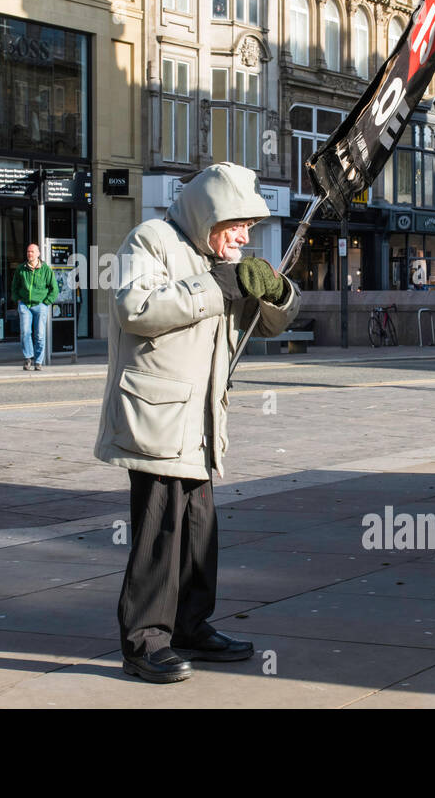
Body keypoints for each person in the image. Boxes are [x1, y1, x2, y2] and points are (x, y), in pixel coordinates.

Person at [95, 164, 300, 684]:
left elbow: (268, 323)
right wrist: (213, 286)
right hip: (158, 416)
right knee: (159, 532)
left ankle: (190, 624)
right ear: (211, 214)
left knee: (198, 532)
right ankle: (145, 640)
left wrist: (275, 293)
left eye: (250, 227)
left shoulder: (221, 260)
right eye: (238, 224)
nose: (245, 235)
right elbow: (134, 308)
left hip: (202, 421)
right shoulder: (151, 239)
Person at [12, 243, 58, 371]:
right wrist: (17, 299)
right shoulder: (21, 269)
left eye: (32, 252)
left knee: (40, 335)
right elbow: (14, 286)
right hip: (25, 305)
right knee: (25, 332)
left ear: (38, 254)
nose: (29, 254)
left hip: (40, 305)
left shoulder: (45, 270)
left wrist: (46, 302)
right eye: (28, 252)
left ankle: (38, 361)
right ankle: (28, 357)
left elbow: (54, 289)